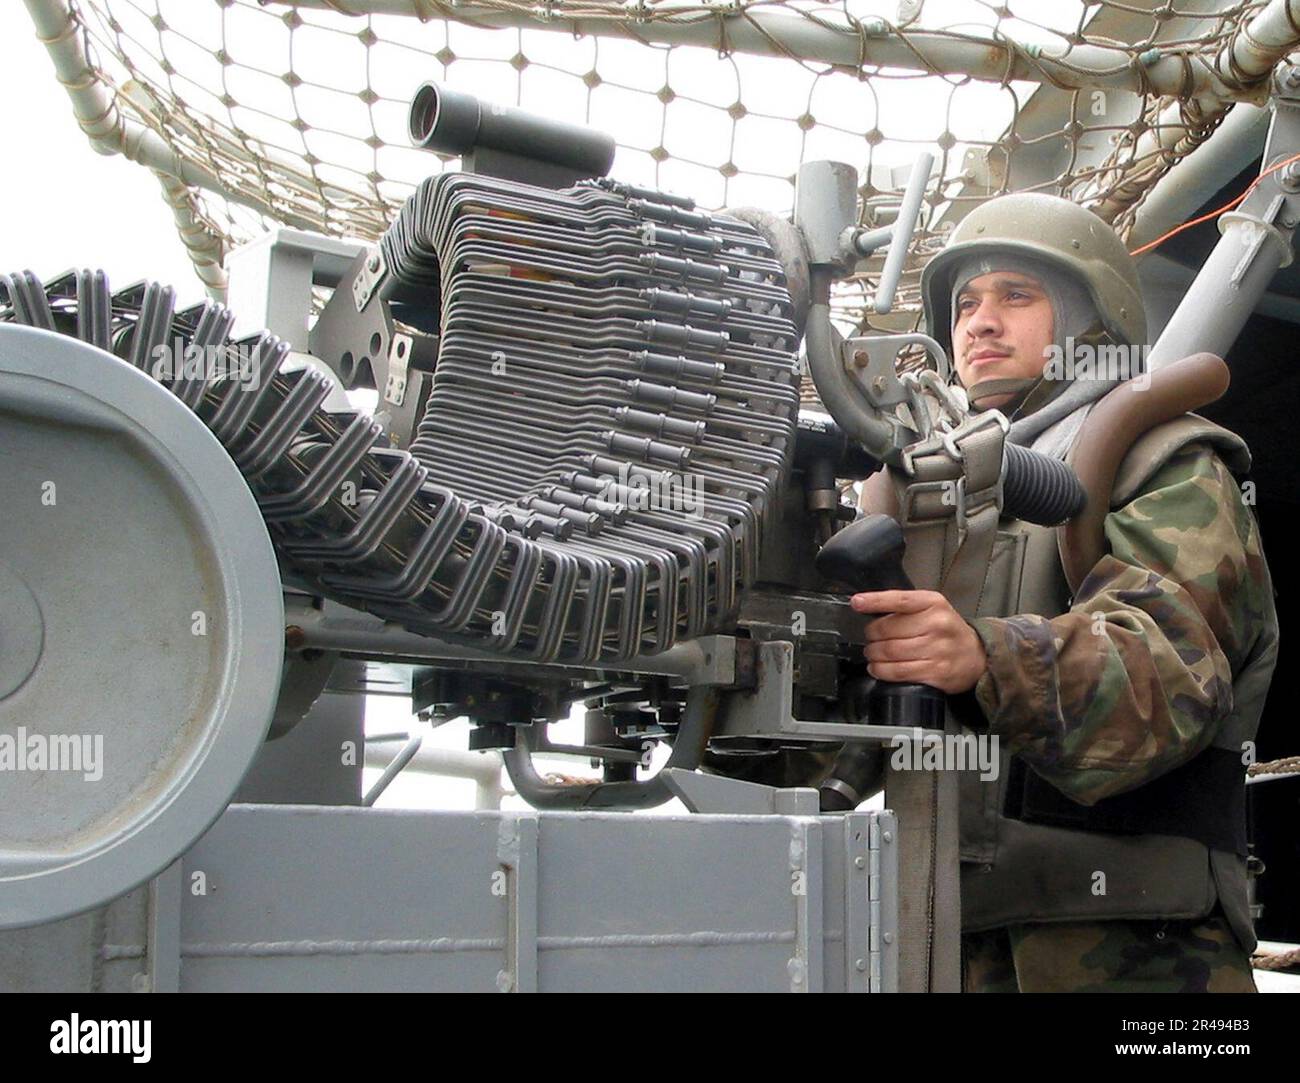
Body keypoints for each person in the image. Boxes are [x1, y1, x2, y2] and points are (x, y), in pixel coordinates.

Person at [851, 192, 1279, 992]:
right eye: (966, 303)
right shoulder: (932, 497)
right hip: (940, 937)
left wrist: (983, 654)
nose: (979, 321)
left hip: (1138, 952)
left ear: (1090, 318)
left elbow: (1175, 671)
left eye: (1017, 295)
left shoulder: (1163, 461)